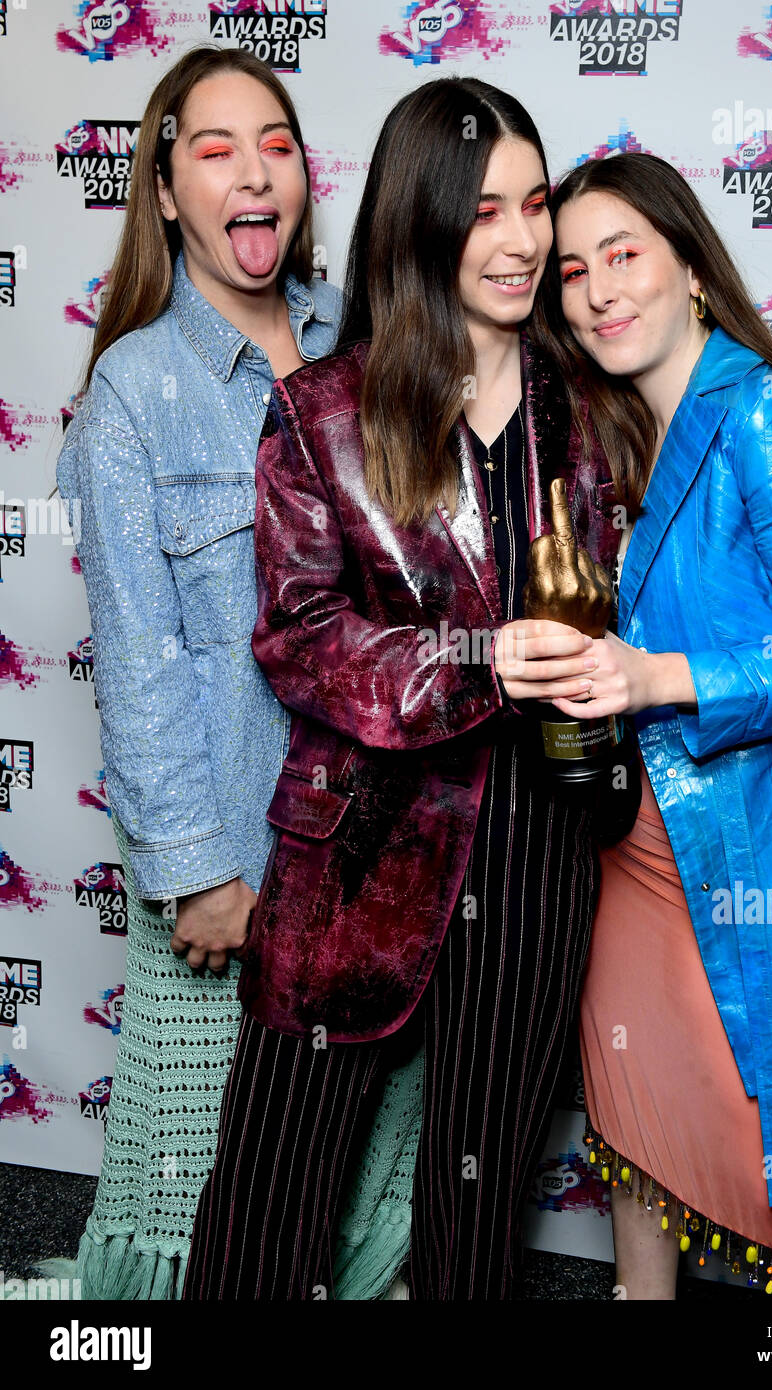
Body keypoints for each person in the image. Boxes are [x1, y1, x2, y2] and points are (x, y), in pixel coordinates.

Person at [182, 75, 636, 1302]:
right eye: (484, 210)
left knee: (475, 1213)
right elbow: (297, 638)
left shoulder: (585, 409)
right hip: (361, 851)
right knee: (267, 1203)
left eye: (534, 204)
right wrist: (475, 658)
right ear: (421, 220)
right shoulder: (321, 415)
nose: (524, 239)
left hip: (538, 842)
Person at [55, 45, 416, 1301]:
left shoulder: (365, 347)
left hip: (382, 856)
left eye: (274, 143)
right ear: (165, 191)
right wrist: (195, 870)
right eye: (214, 149)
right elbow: (140, 657)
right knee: (203, 1190)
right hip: (239, 867)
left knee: (359, 1174)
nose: (251, 171)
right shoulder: (135, 394)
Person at [530, 151, 772, 1301]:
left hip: (744, 859)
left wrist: (656, 677)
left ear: (691, 267)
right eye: (572, 271)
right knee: (637, 1115)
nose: (598, 289)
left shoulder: (767, 413)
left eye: (624, 254)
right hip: (632, 851)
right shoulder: (612, 441)